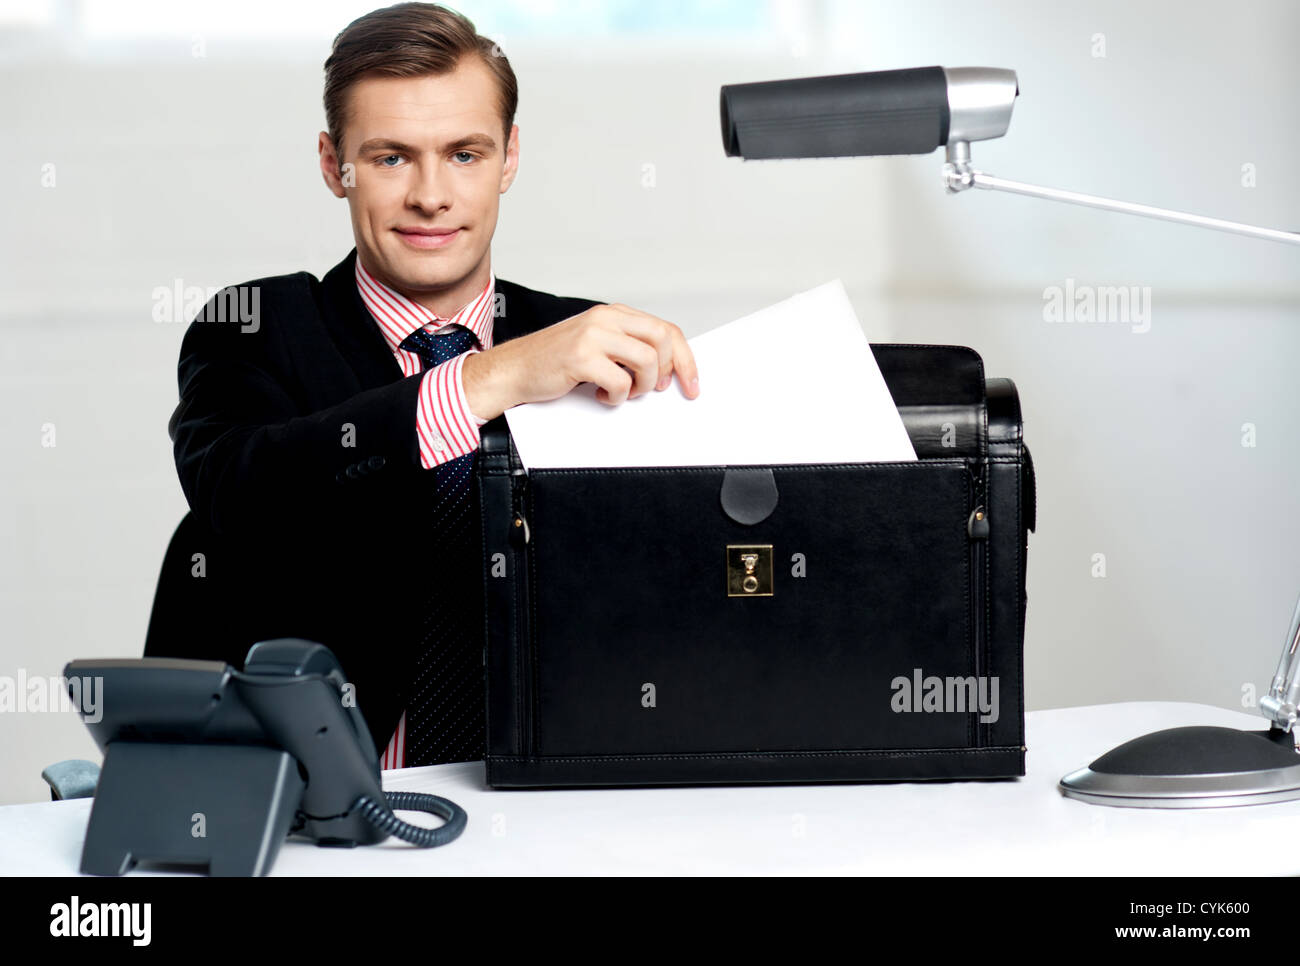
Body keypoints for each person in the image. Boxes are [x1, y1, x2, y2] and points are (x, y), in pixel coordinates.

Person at [150, 2, 699, 769]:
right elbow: (238, 494)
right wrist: (489, 378)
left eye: (465, 154)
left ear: (509, 157)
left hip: (548, 796)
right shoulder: (256, 327)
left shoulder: (581, 340)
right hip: (317, 807)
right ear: (332, 165)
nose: (431, 195)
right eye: (391, 158)